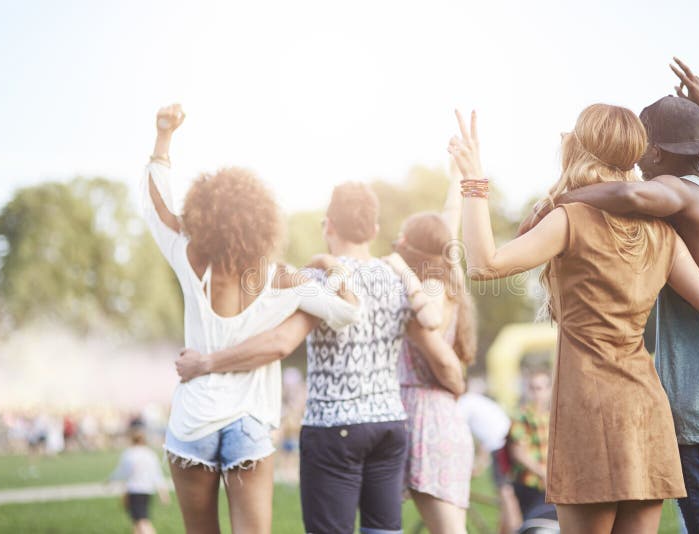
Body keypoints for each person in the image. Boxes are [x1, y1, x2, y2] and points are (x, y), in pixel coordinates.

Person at [448, 104, 699, 534]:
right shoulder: (662, 233)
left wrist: (473, 183)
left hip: (589, 412)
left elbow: (484, 264)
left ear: (581, 148)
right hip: (647, 411)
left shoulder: (569, 217)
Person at [175, 181, 466, 534]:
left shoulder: (321, 278)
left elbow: (281, 342)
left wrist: (206, 362)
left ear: (328, 225)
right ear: (374, 230)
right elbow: (434, 343)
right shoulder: (396, 278)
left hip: (334, 427)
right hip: (389, 427)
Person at [141, 104, 361, 534]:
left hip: (192, 420)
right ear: (263, 221)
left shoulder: (189, 258)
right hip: (249, 423)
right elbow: (348, 312)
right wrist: (334, 266)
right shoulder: (283, 279)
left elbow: (156, 205)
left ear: (203, 214)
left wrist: (164, 137)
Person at [387, 170, 477, 534]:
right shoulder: (448, 275)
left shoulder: (429, 287)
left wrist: (397, 269)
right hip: (445, 419)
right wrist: (458, 172)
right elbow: (449, 221)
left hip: (424, 419)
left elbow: (432, 326)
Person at [457, 388, 521, 534]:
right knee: (507, 493)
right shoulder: (475, 400)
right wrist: (479, 463)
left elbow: (460, 435)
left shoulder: (464, 403)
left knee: (505, 492)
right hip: (504, 441)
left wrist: (471, 467)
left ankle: (515, 529)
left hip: (499, 444)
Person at [508, 369, 556, 523]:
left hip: (551, 484)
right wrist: (543, 473)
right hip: (529, 483)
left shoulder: (553, 417)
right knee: (533, 523)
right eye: (533, 388)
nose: (537, 394)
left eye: (540, 388)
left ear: (549, 390)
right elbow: (518, 453)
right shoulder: (522, 416)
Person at [109, 426, 170, 534]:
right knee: (136, 521)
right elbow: (157, 475)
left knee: (142, 521)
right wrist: (163, 493)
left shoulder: (129, 453)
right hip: (147, 490)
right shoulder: (150, 454)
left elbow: (122, 471)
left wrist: (110, 480)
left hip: (135, 490)